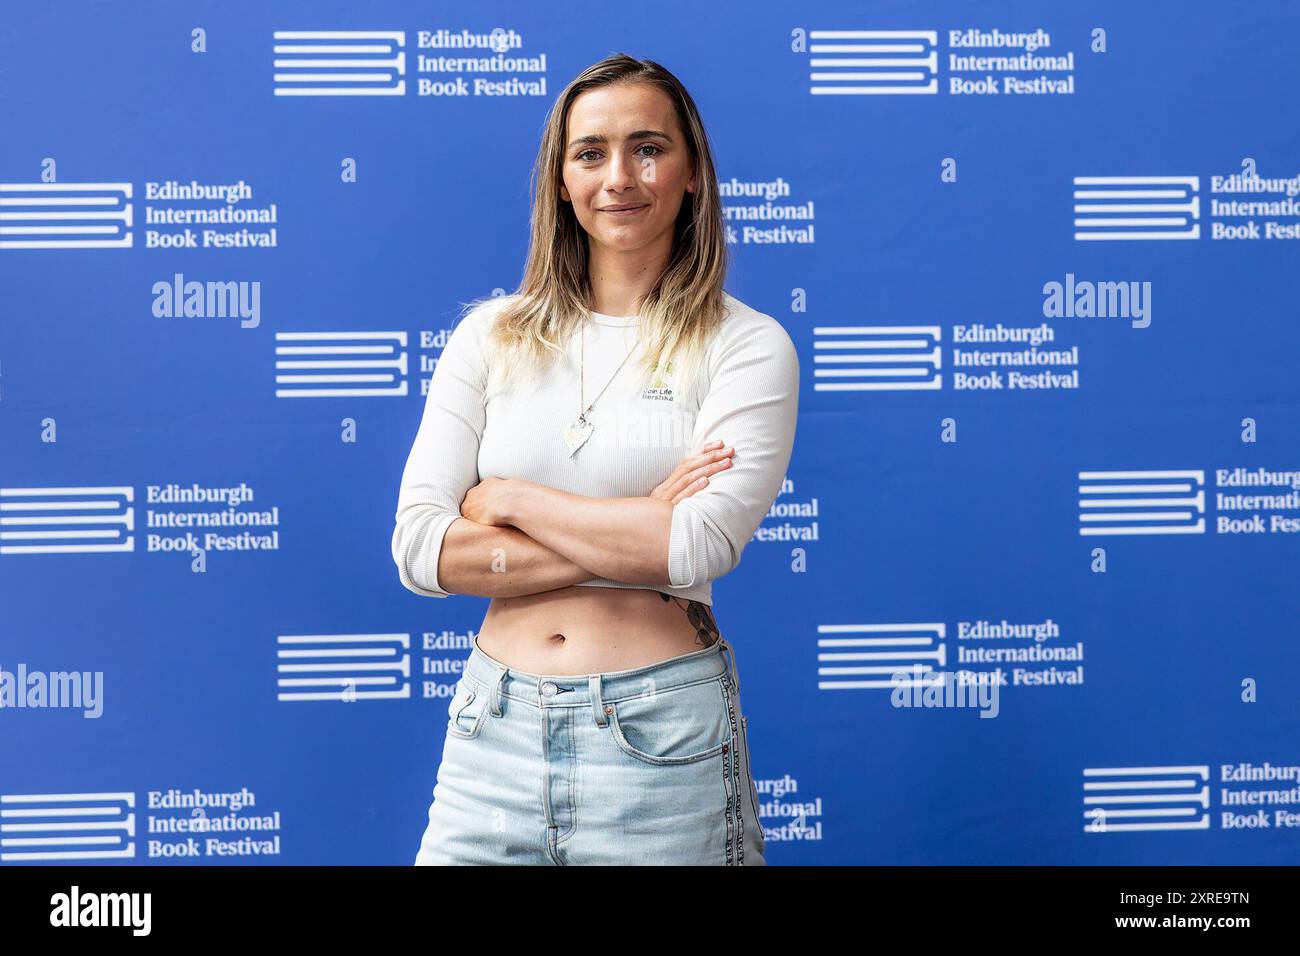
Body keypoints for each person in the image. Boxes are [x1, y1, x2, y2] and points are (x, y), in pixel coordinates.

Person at [392, 53, 799, 865]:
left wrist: (506, 497)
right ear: (562, 181)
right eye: (591, 153)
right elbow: (422, 549)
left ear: (691, 175)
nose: (620, 176)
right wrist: (636, 523)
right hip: (491, 733)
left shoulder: (746, 345)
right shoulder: (490, 336)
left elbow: (691, 547)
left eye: (648, 147)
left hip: (661, 738)